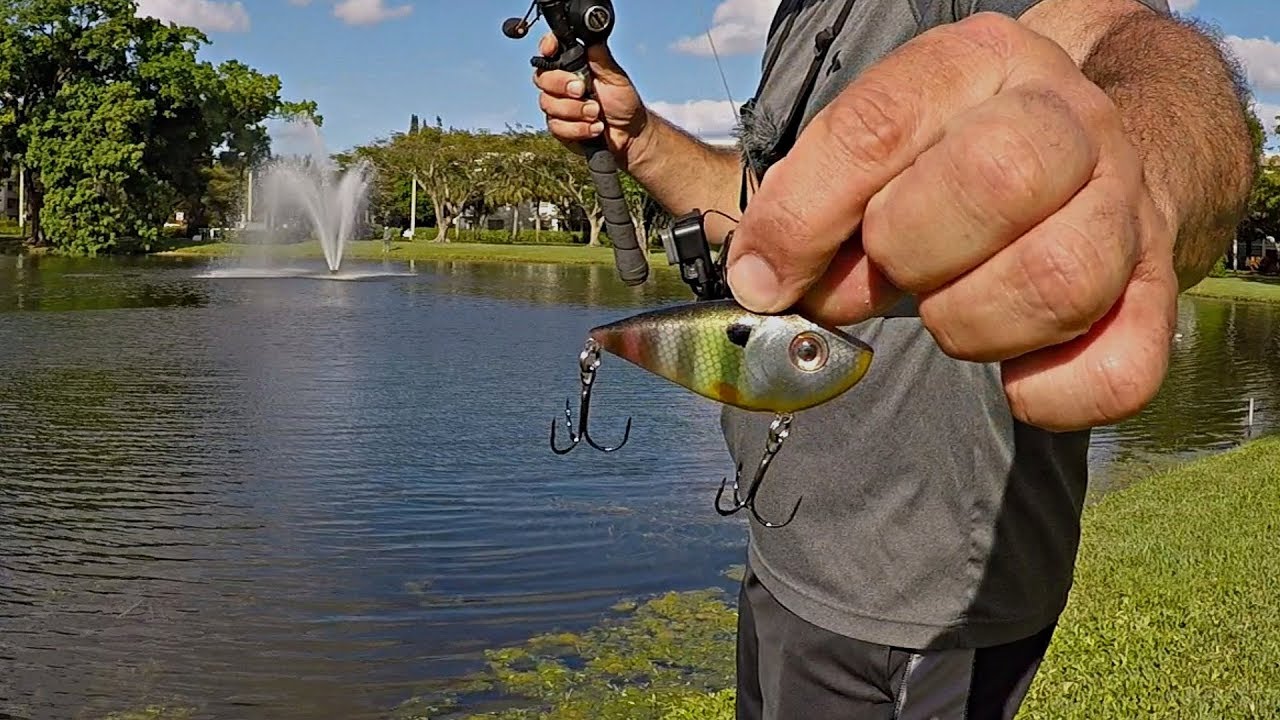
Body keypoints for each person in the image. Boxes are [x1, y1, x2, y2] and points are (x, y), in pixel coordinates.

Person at [532, 0, 1256, 717]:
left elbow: (1136, 49)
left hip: (927, 597)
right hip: (786, 556)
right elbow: (768, 223)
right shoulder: (797, 17)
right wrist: (642, 140)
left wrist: (1133, 184)